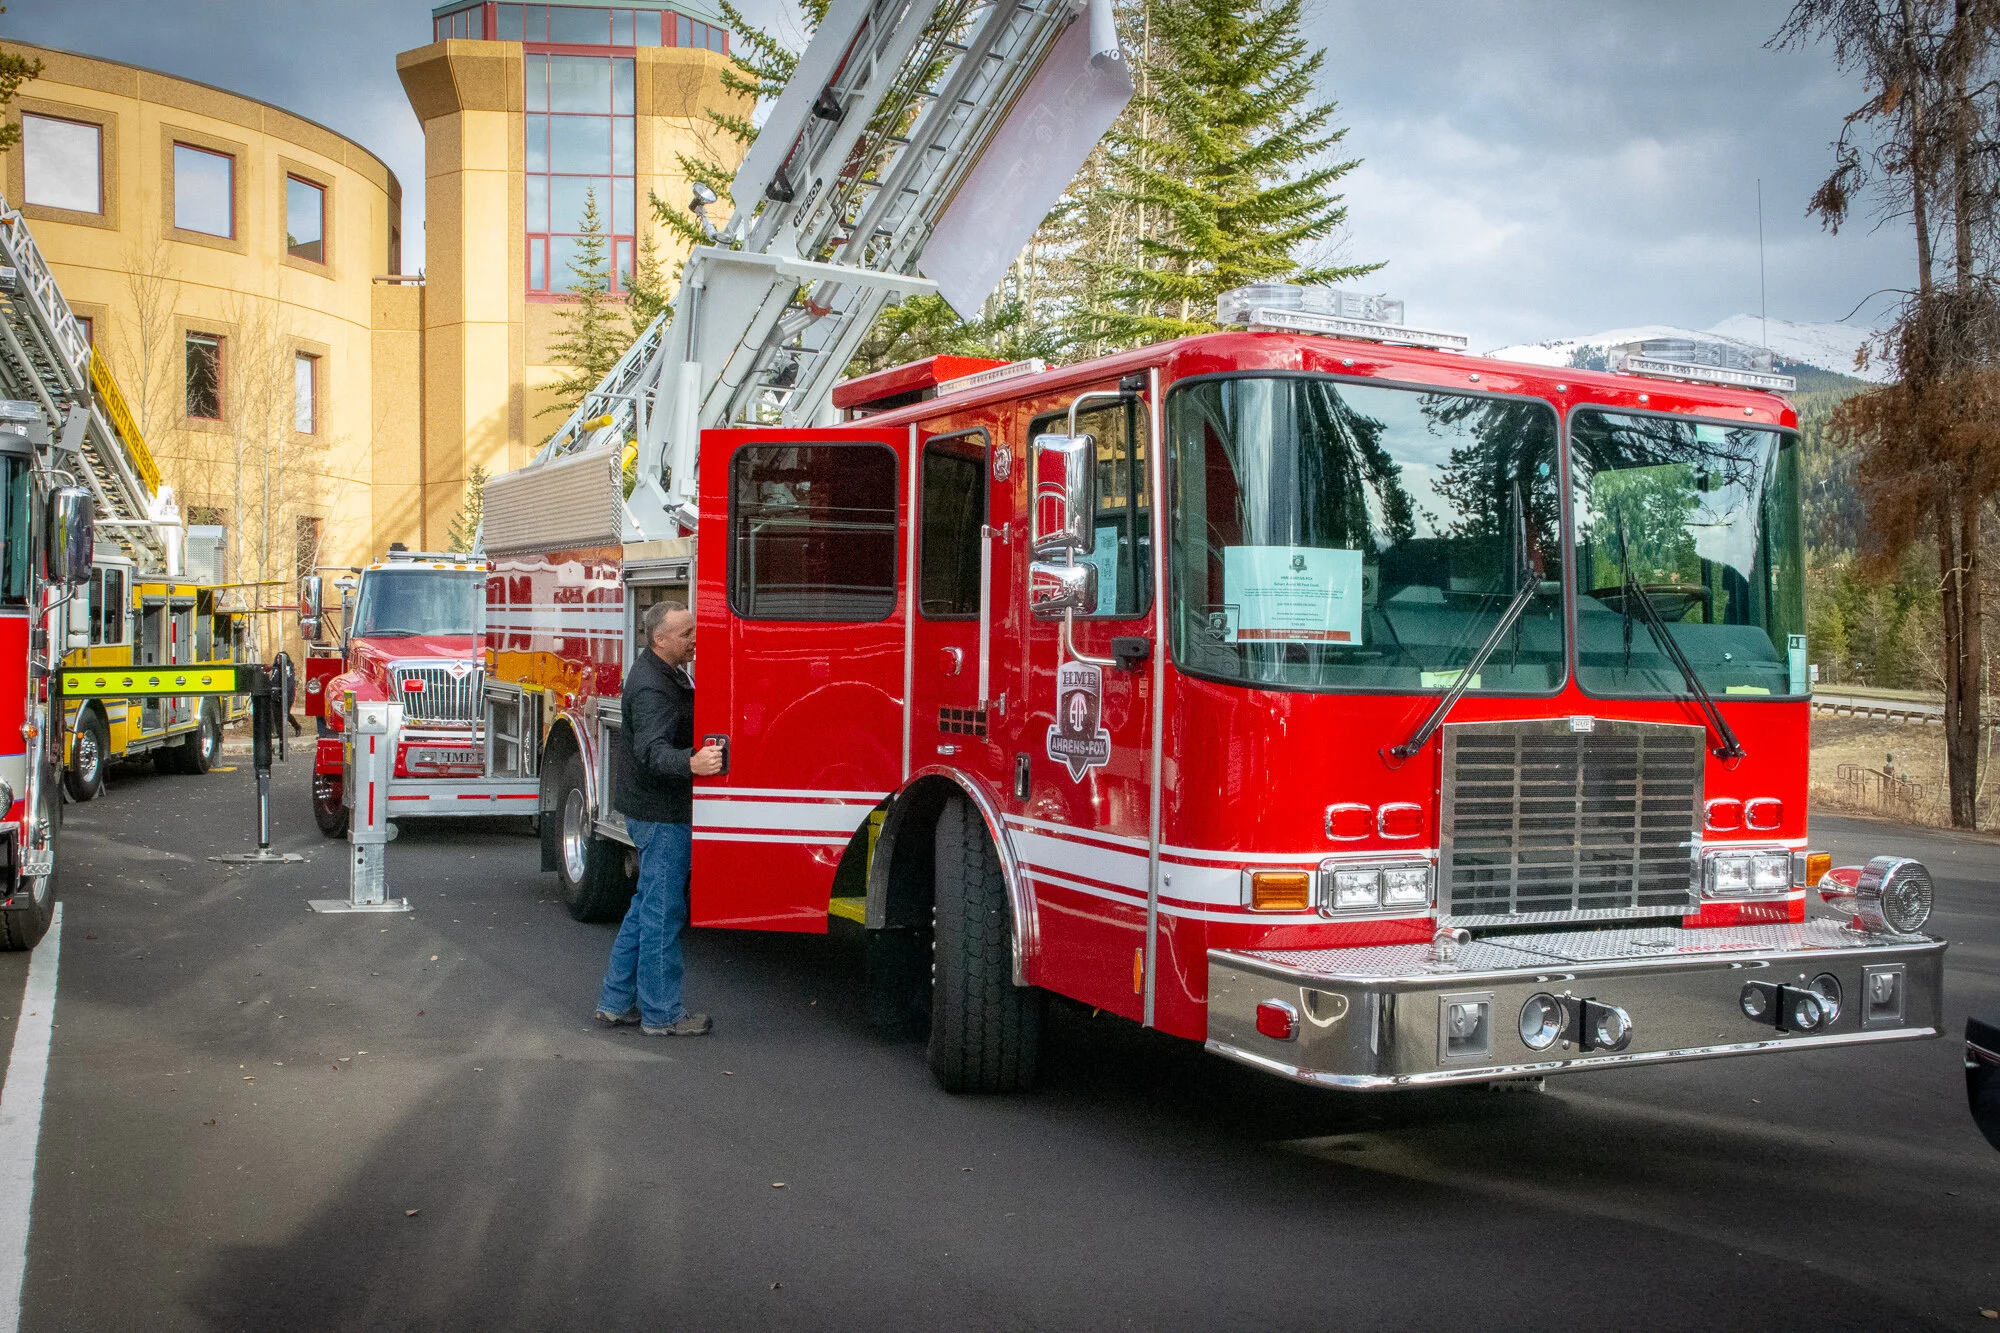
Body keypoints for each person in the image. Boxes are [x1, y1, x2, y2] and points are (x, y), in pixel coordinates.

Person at [595, 604, 724, 1036]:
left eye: (693, 629)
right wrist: (693, 762)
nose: (695, 638)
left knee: (645, 909)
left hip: (650, 811)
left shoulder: (663, 672)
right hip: (661, 815)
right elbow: (652, 752)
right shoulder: (653, 686)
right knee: (662, 916)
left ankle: (615, 1002)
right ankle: (662, 1014)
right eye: (686, 633)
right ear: (660, 639)